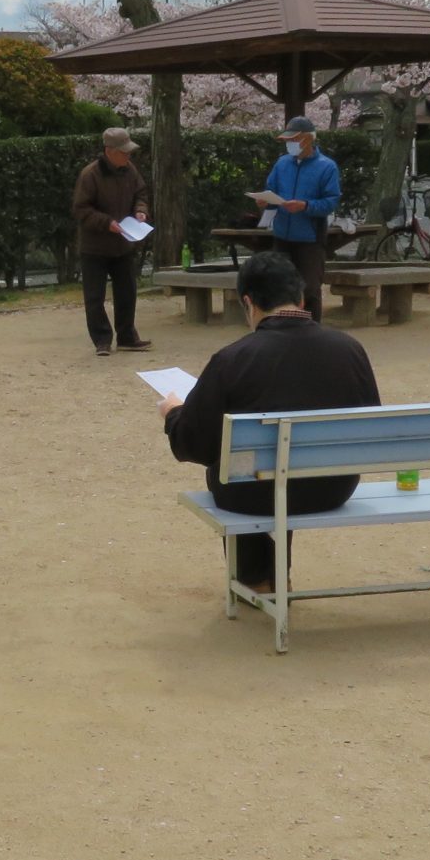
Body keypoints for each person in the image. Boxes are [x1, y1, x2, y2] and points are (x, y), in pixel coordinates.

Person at [159, 248, 381, 591]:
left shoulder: (233, 359)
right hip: (332, 486)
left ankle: (256, 579)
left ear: (249, 303)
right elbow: (370, 423)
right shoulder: (349, 349)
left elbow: (195, 445)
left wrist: (174, 412)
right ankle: (272, 577)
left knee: (239, 467)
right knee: (270, 465)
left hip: (253, 496)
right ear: (301, 298)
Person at [73, 125, 152, 356]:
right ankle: (102, 340)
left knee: (127, 292)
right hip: (95, 247)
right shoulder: (90, 175)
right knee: (94, 297)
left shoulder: (130, 170)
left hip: (123, 243)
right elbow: (81, 209)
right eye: (124, 152)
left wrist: (140, 210)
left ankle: (127, 337)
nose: (128, 156)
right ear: (109, 151)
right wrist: (107, 223)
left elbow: (141, 193)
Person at [260, 115, 342, 320]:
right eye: (288, 140)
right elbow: (271, 190)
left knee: (310, 289)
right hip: (282, 236)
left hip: (310, 238)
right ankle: (283, 329)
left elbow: (331, 201)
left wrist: (305, 206)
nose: (290, 143)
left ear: (308, 138)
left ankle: (312, 331)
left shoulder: (327, 166)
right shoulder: (282, 163)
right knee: (279, 286)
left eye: (294, 139)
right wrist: (264, 201)